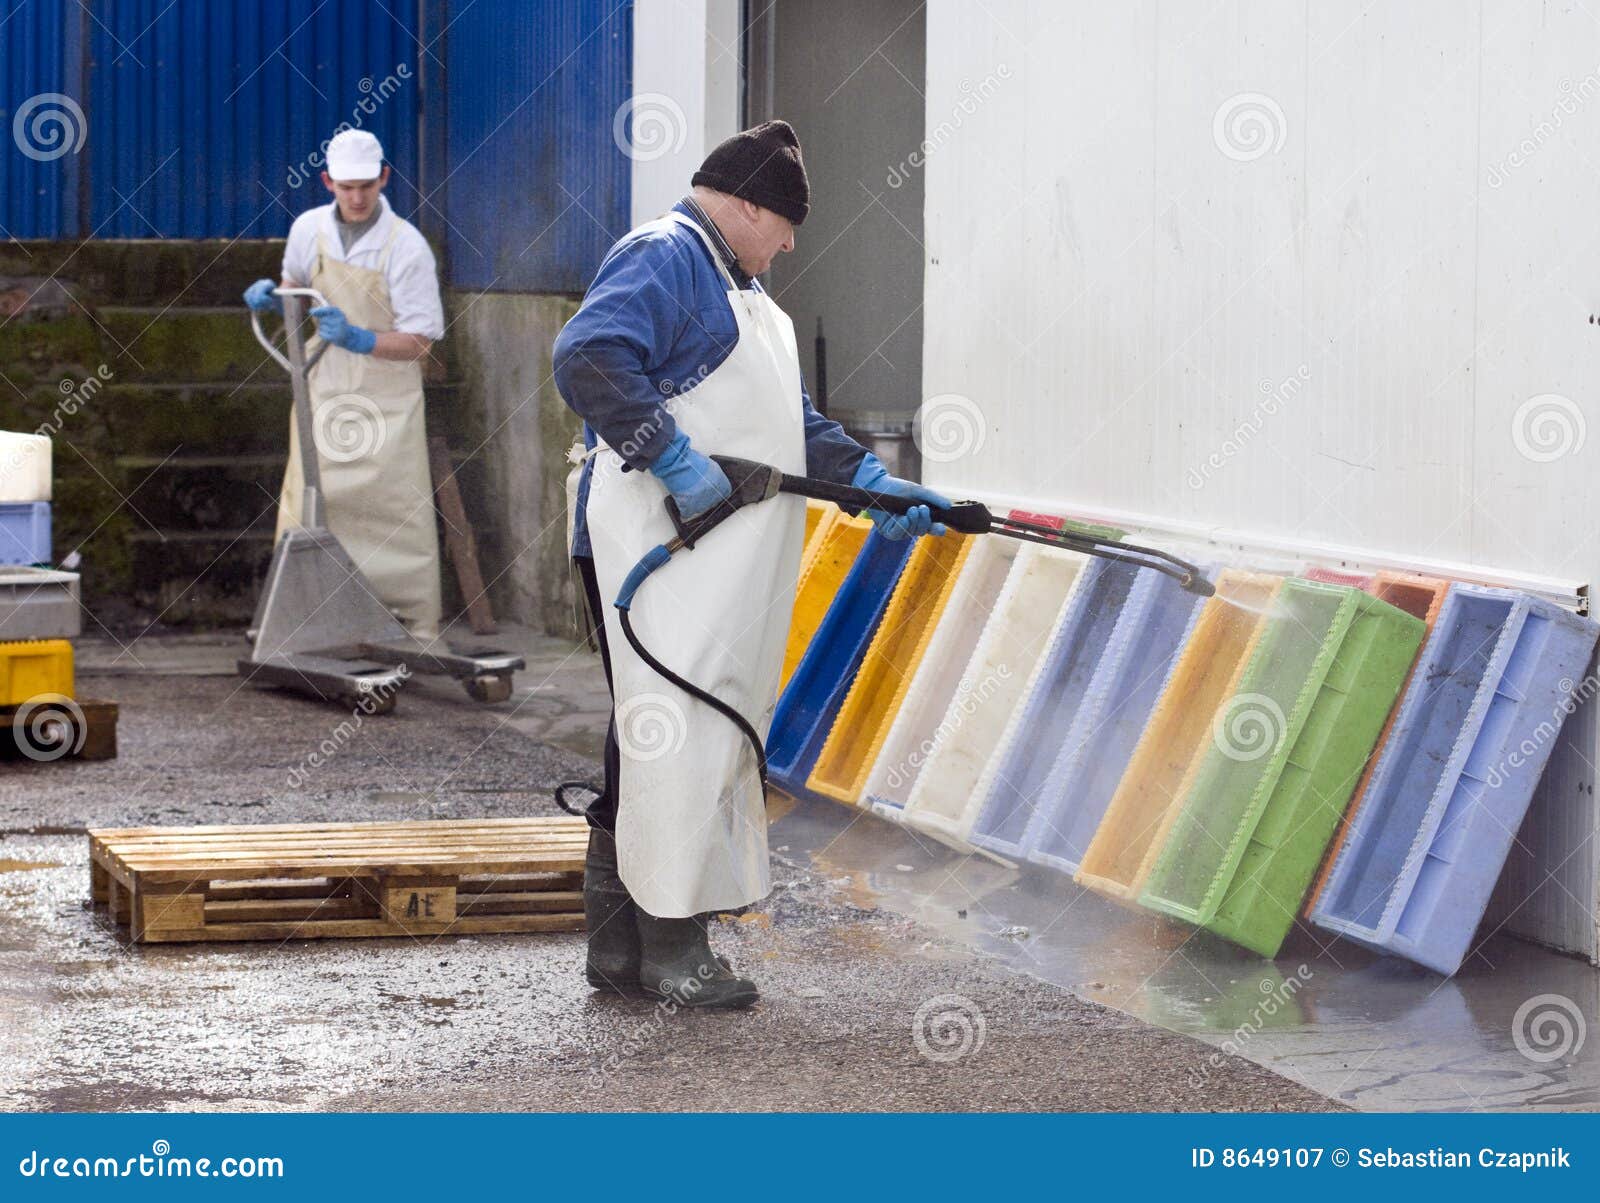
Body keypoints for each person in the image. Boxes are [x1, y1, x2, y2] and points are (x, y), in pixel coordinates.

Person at [553, 120, 949, 1009]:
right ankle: (674, 948)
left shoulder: (741, 292)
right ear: (742, 204)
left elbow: (785, 423)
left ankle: (620, 949)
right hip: (654, 552)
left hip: (704, 562)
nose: (790, 243)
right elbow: (586, 356)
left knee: (657, 733)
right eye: (784, 223)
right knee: (679, 729)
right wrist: (673, 458)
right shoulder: (667, 256)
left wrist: (871, 482)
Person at [243, 129, 445, 641]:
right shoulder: (309, 229)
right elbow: (294, 288)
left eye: (366, 186)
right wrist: (274, 298)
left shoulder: (406, 246)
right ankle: (303, 613)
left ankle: (408, 621)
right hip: (322, 384)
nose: (356, 198)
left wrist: (361, 338)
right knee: (310, 496)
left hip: (387, 396)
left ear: (384, 178)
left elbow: (420, 342)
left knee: (394, 506)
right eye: (346, 186)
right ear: (328, 181)